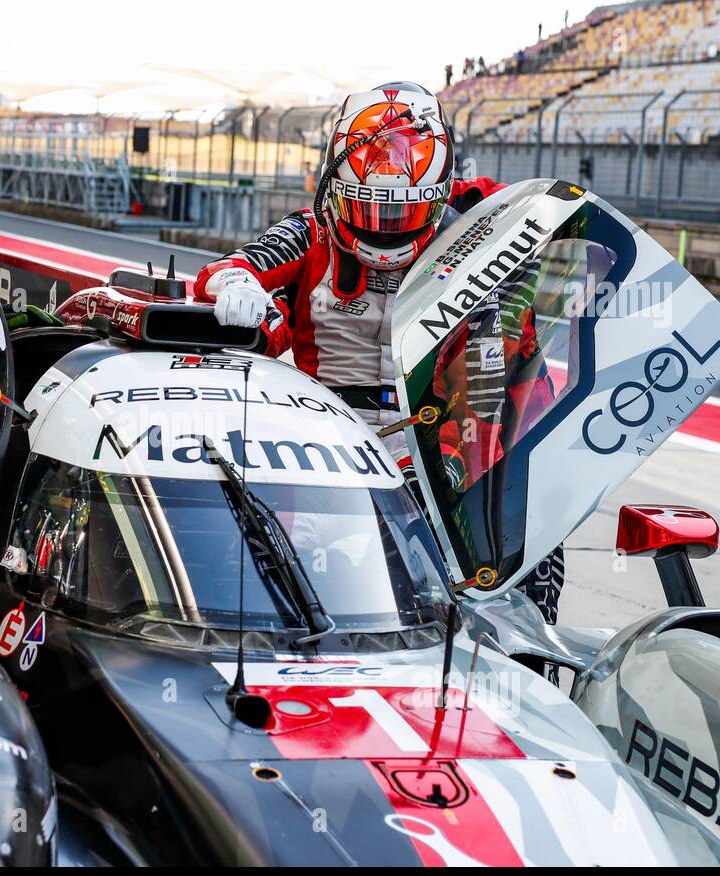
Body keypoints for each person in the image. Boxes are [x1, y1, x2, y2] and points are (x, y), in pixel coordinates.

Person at [194, 82, 564, 623]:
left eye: (403, 211)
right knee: (285, 594)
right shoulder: (309, 231)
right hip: (322, 447)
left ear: (440, 192)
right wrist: (236, 286)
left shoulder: (480, 222)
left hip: (436, 451)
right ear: (334, 187)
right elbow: (230, 268)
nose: (384, 226)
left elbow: (552, 214)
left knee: (511, 576)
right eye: (367, 207)